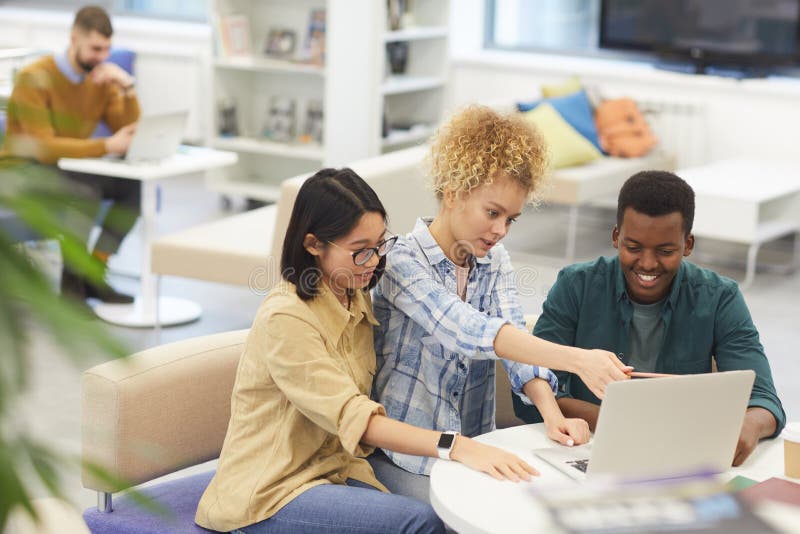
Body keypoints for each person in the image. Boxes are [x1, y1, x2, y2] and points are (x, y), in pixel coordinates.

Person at [195, 168, 545, 534]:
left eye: (380, 245)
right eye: (361, 252)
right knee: (420, 522)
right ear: (313, 244)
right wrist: (454, 446)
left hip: (336, 469)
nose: (377, 261)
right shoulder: (286, 318)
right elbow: (357, 417)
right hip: (272, 491)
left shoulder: (355, 296)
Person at [370, 105, 631, 502]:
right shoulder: (401, 261)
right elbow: (467, 330)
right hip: (406, 456)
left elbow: (515, 343)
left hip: (476, 447)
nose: (500, 231)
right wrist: (578, 359)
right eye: (492, 213)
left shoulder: (494, 260)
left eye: (511, 219)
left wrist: (553, 414)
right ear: (454, 193)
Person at [513, 170, 786, 467]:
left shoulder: (720, 297)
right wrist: (621, 421)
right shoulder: (576, 286)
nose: (647, 263)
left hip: (685, 459)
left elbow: (763, 399)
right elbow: (533, 391)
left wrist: (748, 427)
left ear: (688, 245)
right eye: (633, 247)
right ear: (616, 237)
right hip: (586, 451)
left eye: (666, 251)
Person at [1, 5, 140, 304]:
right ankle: (72, 285)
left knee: (131, 189)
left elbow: (127, 127)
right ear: (73, 38)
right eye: (95, 48)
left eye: (106, 49)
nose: (102, 57)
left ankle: (95, 272)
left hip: (69, 166)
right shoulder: (33, 77)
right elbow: (44, 147)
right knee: (84, 190)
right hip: (24, 170)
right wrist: (105, 146)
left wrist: (126, 87)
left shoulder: (98, 79)